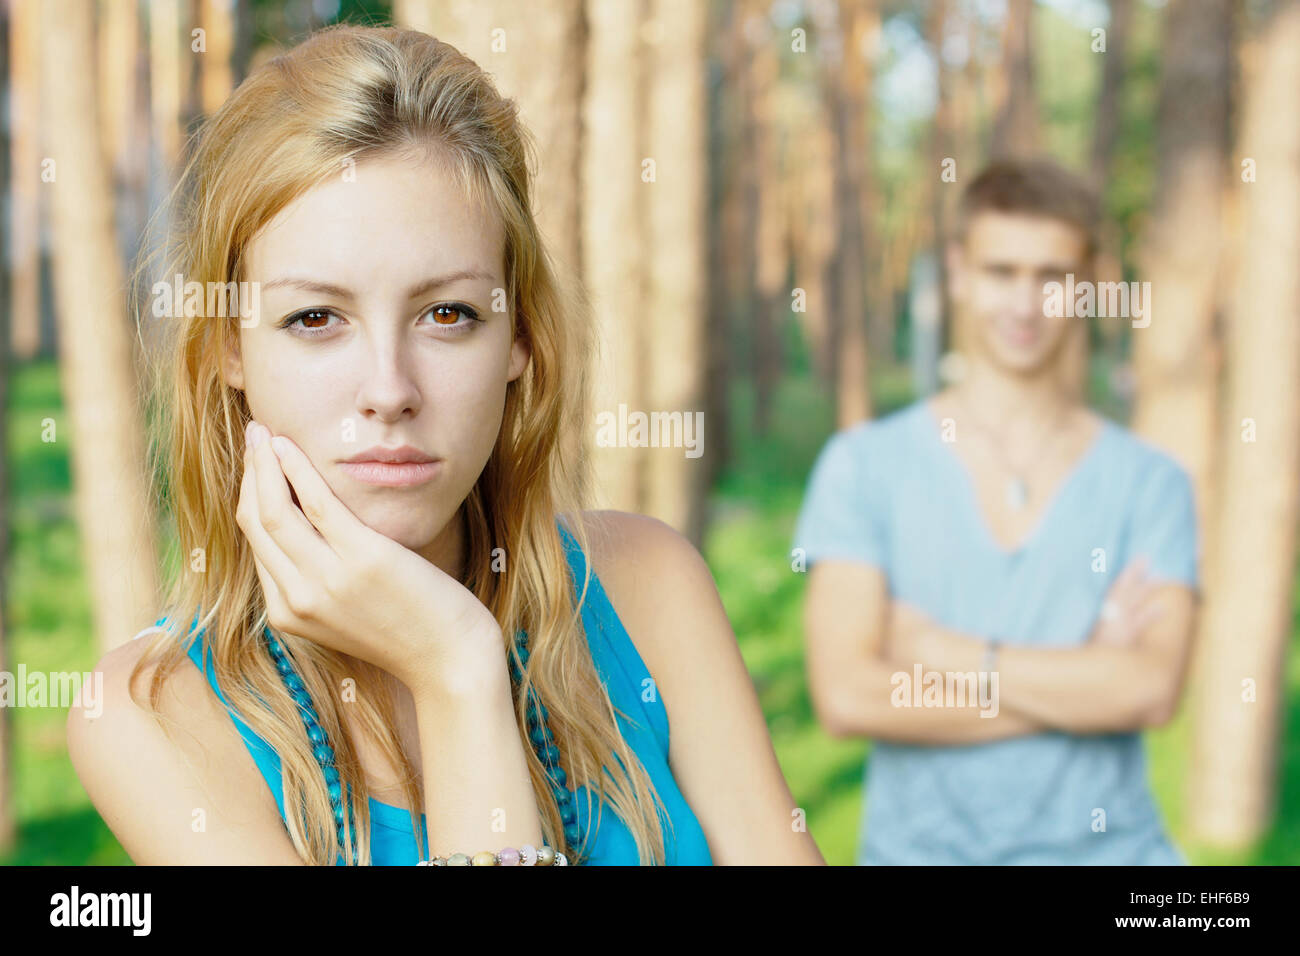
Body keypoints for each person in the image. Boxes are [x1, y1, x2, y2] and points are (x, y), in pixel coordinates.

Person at [67, 24, 823, 867]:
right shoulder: (152, 714)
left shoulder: (647, 587)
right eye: (315, 318)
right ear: (229, 353)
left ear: (520, 340)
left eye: (447, 314)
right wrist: (458, 675)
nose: (390, 389)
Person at [794, 158, 1198, 865]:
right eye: (1001, 271)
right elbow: (850, 696)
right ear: (957, 271)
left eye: (1051, 277)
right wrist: (1085, 680)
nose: (1025, 303)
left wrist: (949, 657)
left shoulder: (1151, 483)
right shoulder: (862, 467)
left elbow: (1149, 690)